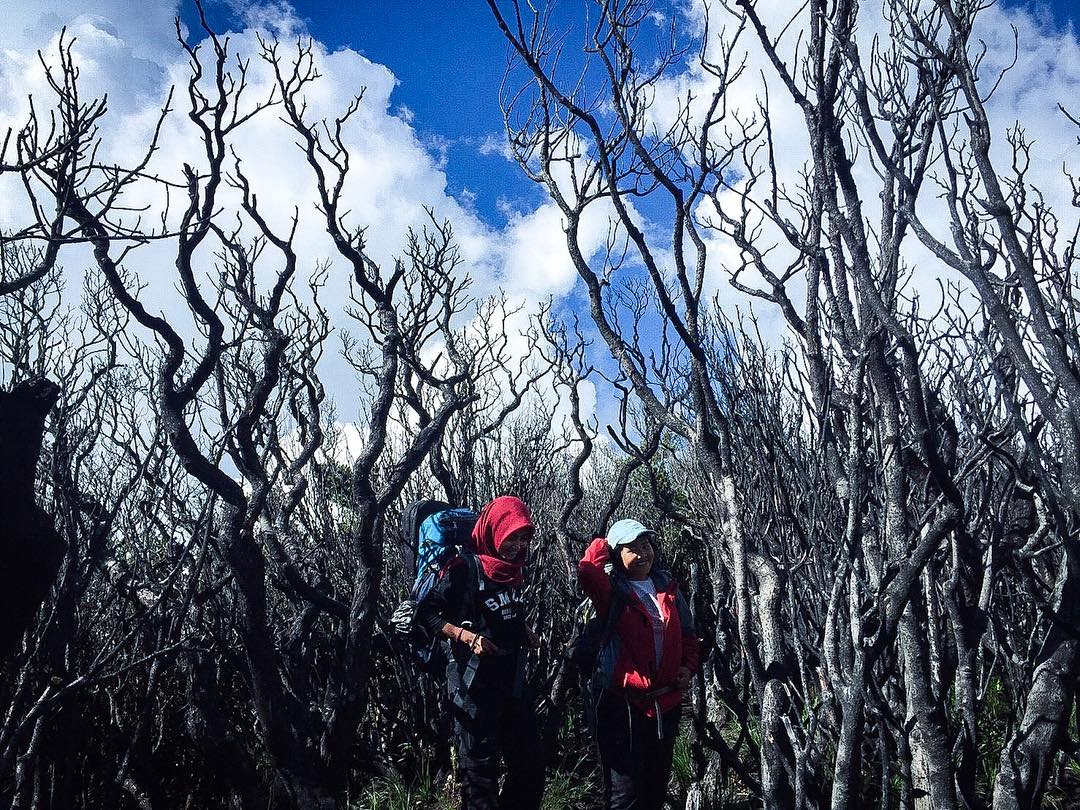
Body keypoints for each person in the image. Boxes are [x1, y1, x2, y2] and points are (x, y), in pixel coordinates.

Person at [417, 495, 545, 810]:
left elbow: (500, 611)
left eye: (523, 537)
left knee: (530, 766)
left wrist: (522, 629)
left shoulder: (512, 571)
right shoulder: (463, 568)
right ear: (493, 531)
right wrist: (464, 636)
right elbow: (427, 614)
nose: (517, 545)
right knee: (479, 778)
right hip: (473, 689)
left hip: (511, 686)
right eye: (511, 537)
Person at [579, 518, 700, 810]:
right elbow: (586, 570)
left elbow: (688, 633)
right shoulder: (611, 592)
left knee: (655, 786)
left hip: (665, 704)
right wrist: (603, 545)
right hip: (624, 706)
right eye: (632, 548)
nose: (642, 553)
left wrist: (688, 667)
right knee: (626, 794)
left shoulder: (666, 586)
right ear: (616, 555)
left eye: (645, 545)